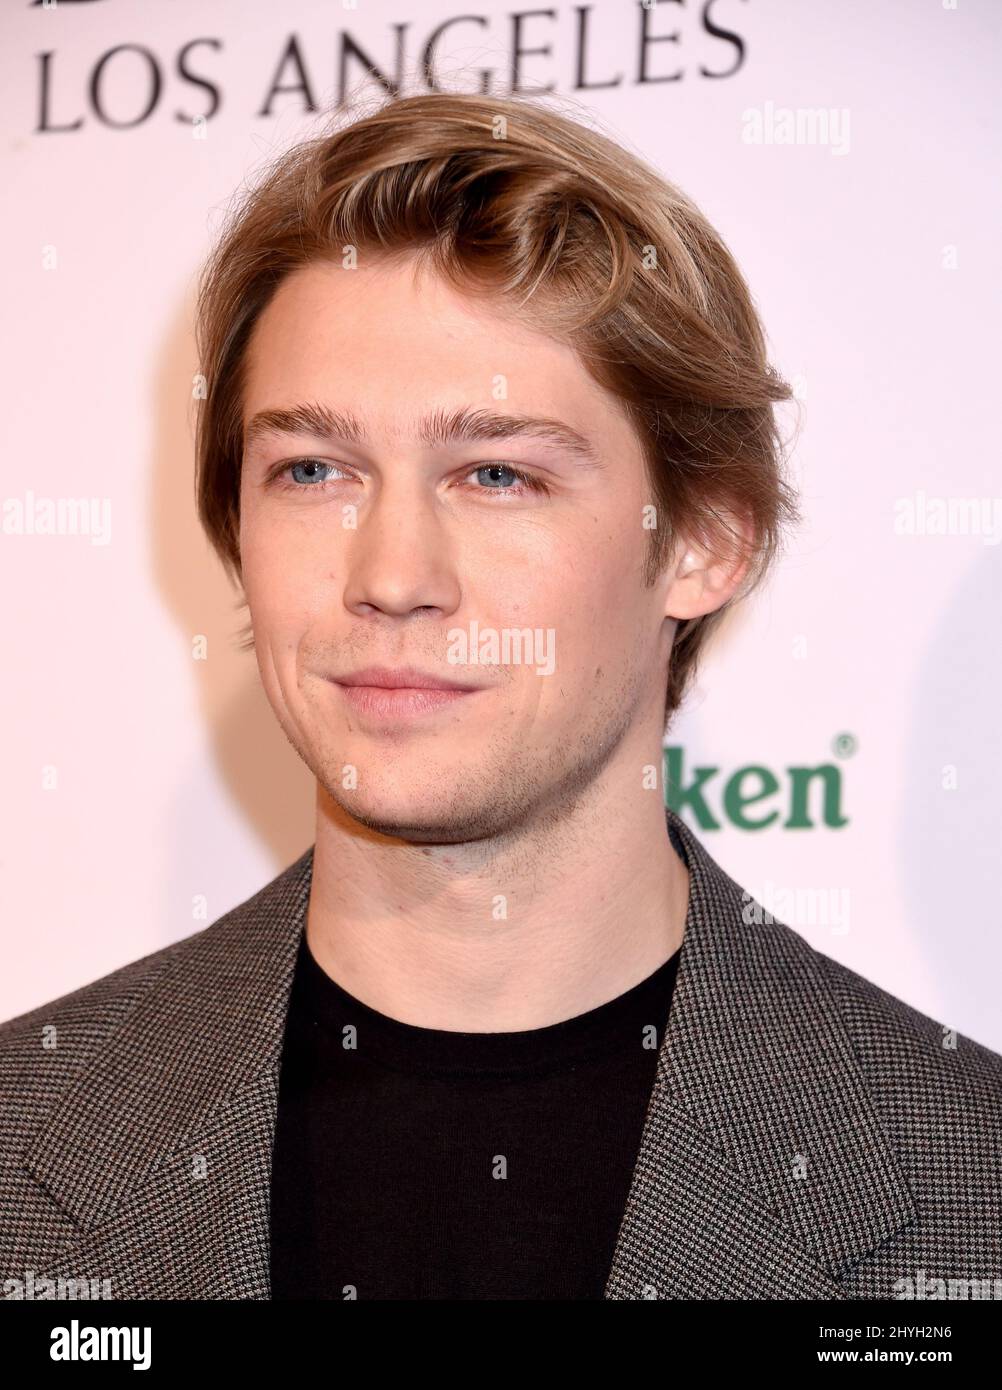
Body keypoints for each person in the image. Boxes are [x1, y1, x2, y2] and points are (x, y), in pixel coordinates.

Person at [2, 92, 999, 1303]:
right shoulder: (26, 1133)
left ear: (706, 538)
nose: (391, 578)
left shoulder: (967, 1187)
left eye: (497, 473)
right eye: (313, 469)